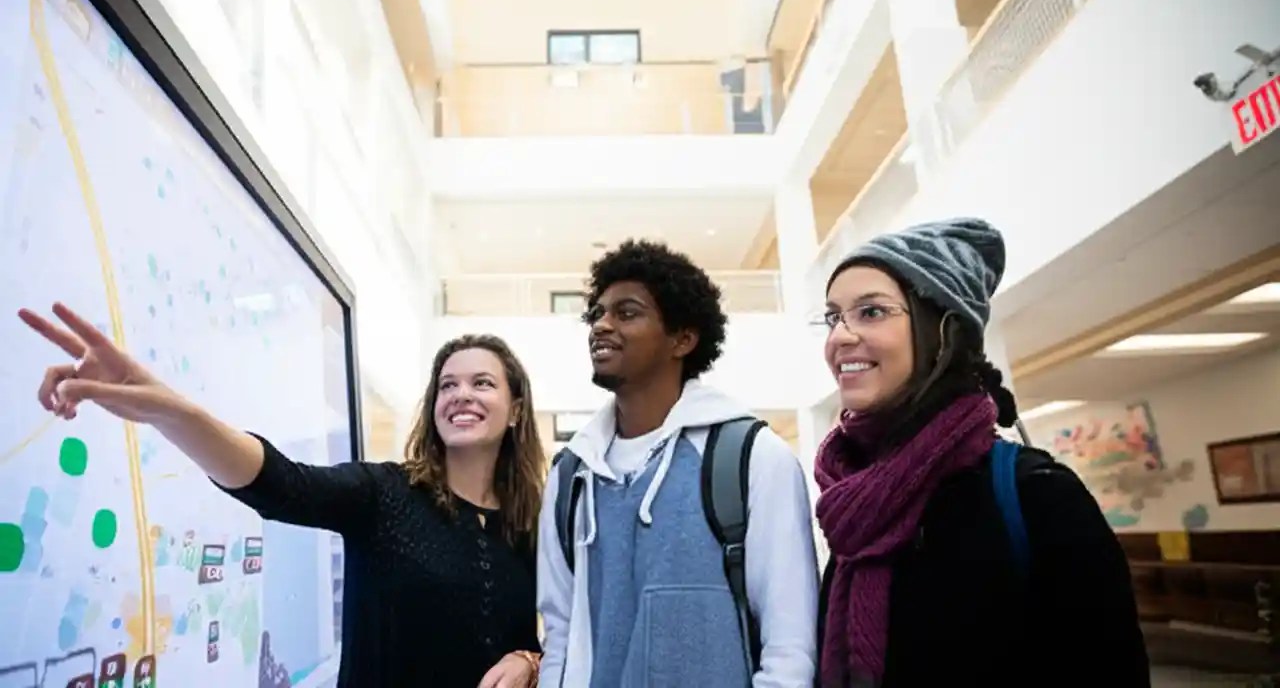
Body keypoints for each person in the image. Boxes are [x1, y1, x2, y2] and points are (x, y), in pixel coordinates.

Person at [19, 303, 545, 688]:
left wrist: (530, 659)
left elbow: (552, 635)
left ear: (516, 408)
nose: (461, 396)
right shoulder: (385, 493)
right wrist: (166, 408)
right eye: (448, 385)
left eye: (482, 383)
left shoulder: (532, 524)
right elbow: (278, 483)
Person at [813, 218, 1150, 687]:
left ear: (943, 330)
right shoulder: (856, 510)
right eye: (834, 316)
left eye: (870, 312)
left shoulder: (1036, 494)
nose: (839, 338)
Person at [537, 239, 819, 687]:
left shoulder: (752, 459)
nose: (601, 326)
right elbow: (561, 636)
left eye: (626, 313)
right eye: (597, 314)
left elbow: (790, 651)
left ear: (683, 339)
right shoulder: (571, 476)